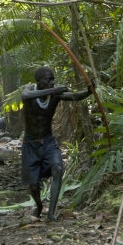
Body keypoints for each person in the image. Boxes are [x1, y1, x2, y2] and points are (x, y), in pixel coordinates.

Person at [22, 65, 90, 222]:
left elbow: (74, 96)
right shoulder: (30, 89)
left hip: (48, 142)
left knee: (57, 168)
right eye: (48, 79)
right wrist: (54, 90)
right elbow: (25, 96)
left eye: (53, 79)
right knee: (33, 186)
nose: (52, 82)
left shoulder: (55, 95)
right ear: (39, 81)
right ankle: (39, 206)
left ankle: (51, 213)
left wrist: (88, 91)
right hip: (30, 144)